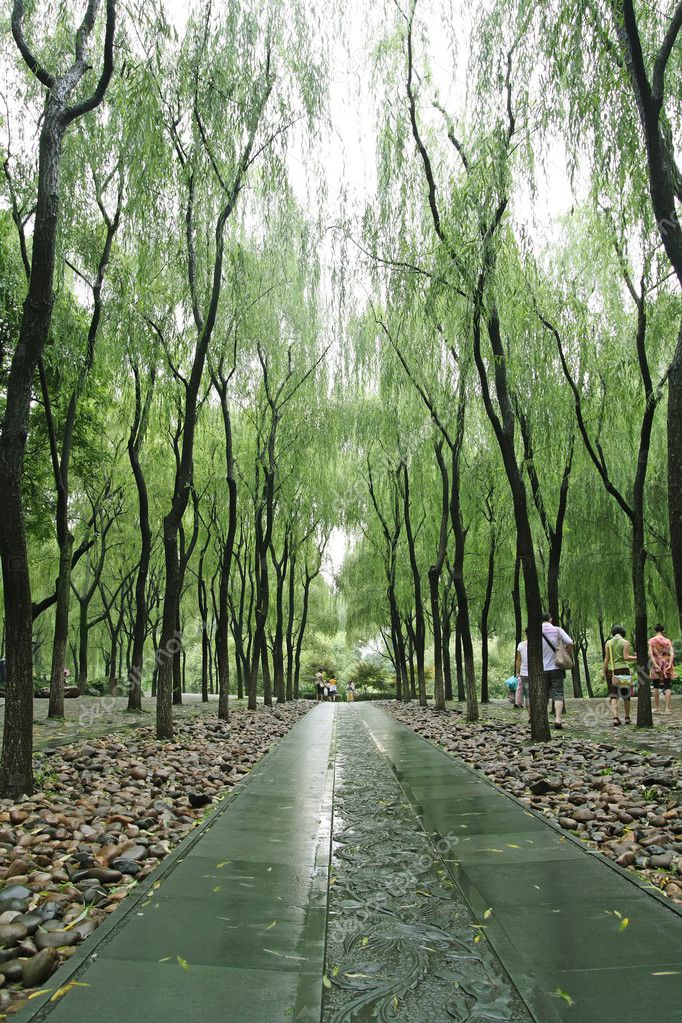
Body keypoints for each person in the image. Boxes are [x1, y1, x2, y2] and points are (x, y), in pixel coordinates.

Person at [541, 613, 573, 730]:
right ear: (551, 619)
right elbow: (570, 642)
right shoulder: (557, 630)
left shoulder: (536, 631)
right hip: (557, 667)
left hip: (541, 669)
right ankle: (558, 719)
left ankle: (542, 719)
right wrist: (568, 654)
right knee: (558, 693)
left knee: (543, 694)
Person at [604, 625, 637, 726]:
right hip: (623, 669)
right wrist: (636, 657)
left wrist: (603, 671)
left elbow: (607, 659)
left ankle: (615, 718)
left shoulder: (608, 643)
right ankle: (627, 718)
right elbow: (626, 657)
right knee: (626, 695)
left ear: (613, 633)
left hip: (612, 670)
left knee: (614, 695)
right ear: (623, 632)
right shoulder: (625, 642)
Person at [649, 624, 675, 714]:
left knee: (656, 686)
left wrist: (655, 664)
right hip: (667, 663)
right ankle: (667, 709)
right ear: (663, 630)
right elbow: (672, 653)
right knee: (668, 686)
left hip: (656, 664)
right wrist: (670, 664)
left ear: (654, 630)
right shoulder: (667, 640)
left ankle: (657, 708)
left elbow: (651, 654)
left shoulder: (651, 640)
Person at [515, 629, 529, 712]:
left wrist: (517, 672)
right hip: (536, 674)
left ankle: (530, 713)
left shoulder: (521, 645)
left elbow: (518, 660)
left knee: (528, 693)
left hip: (524, 673)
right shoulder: (539, 644)